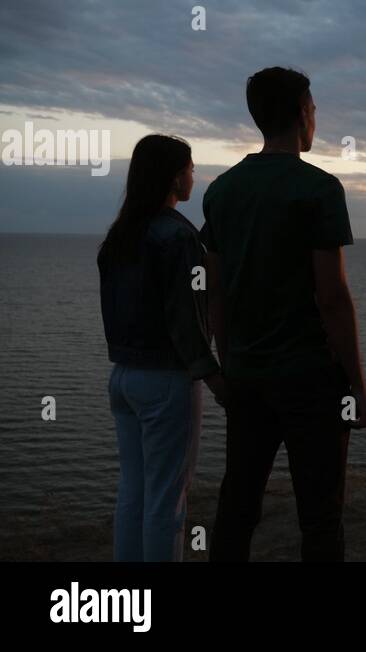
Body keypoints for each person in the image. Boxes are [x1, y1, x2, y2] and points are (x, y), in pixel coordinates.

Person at [203, 67, 366, 562]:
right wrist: (359, 383)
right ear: (302, 115)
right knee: (321, 516)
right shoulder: (319, 189)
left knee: (238, 505)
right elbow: (332, 297)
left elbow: (215, 292)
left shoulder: (222, 191)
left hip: (248, 378)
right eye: (314, 109)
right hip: (312, 381)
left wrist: (229, 361)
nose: (316, 118)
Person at [98, 134, 225, 562]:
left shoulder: (120, 236)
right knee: (168, 503)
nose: (194, 176)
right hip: (167, 382)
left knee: (133, 491)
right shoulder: (178, 238)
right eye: (190, 168)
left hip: (123, 377)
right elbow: (186, 320)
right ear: (175, 177)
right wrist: (214, 376)